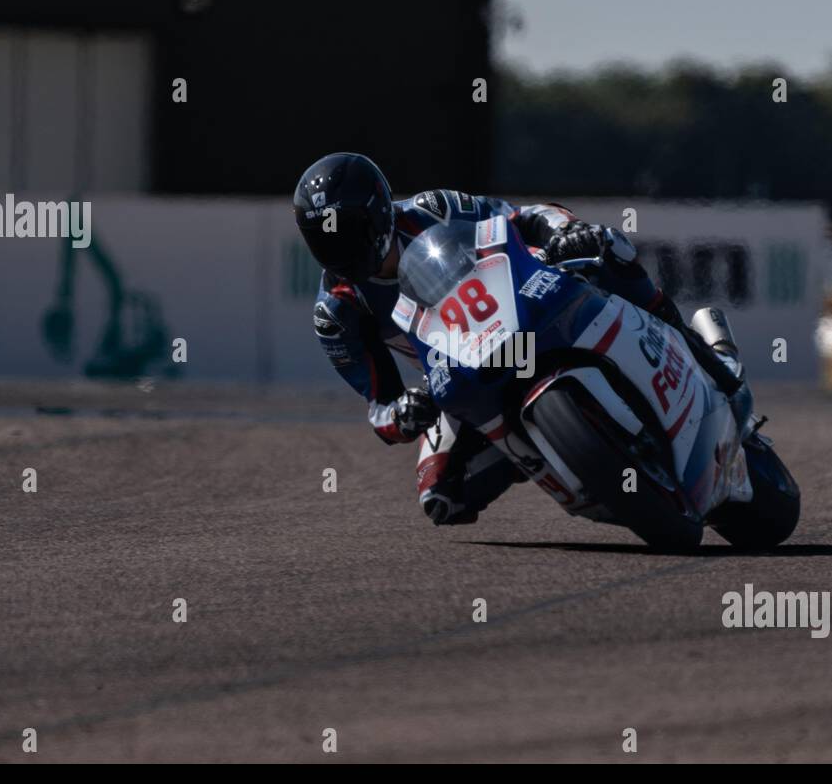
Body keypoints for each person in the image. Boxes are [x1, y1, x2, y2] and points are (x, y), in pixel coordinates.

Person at [293, 152, 747, 525]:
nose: (338, 247)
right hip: (460, 368)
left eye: (348, 230)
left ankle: (702, 354)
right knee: (441, 498)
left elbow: (522, 218)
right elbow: (379, 407)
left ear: (378, 211)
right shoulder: (336, 312)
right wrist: (405, 414)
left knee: (609, 247)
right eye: (322, 238)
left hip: (527, 300)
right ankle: (549, 449)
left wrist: (565, 230)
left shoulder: (432, 209)